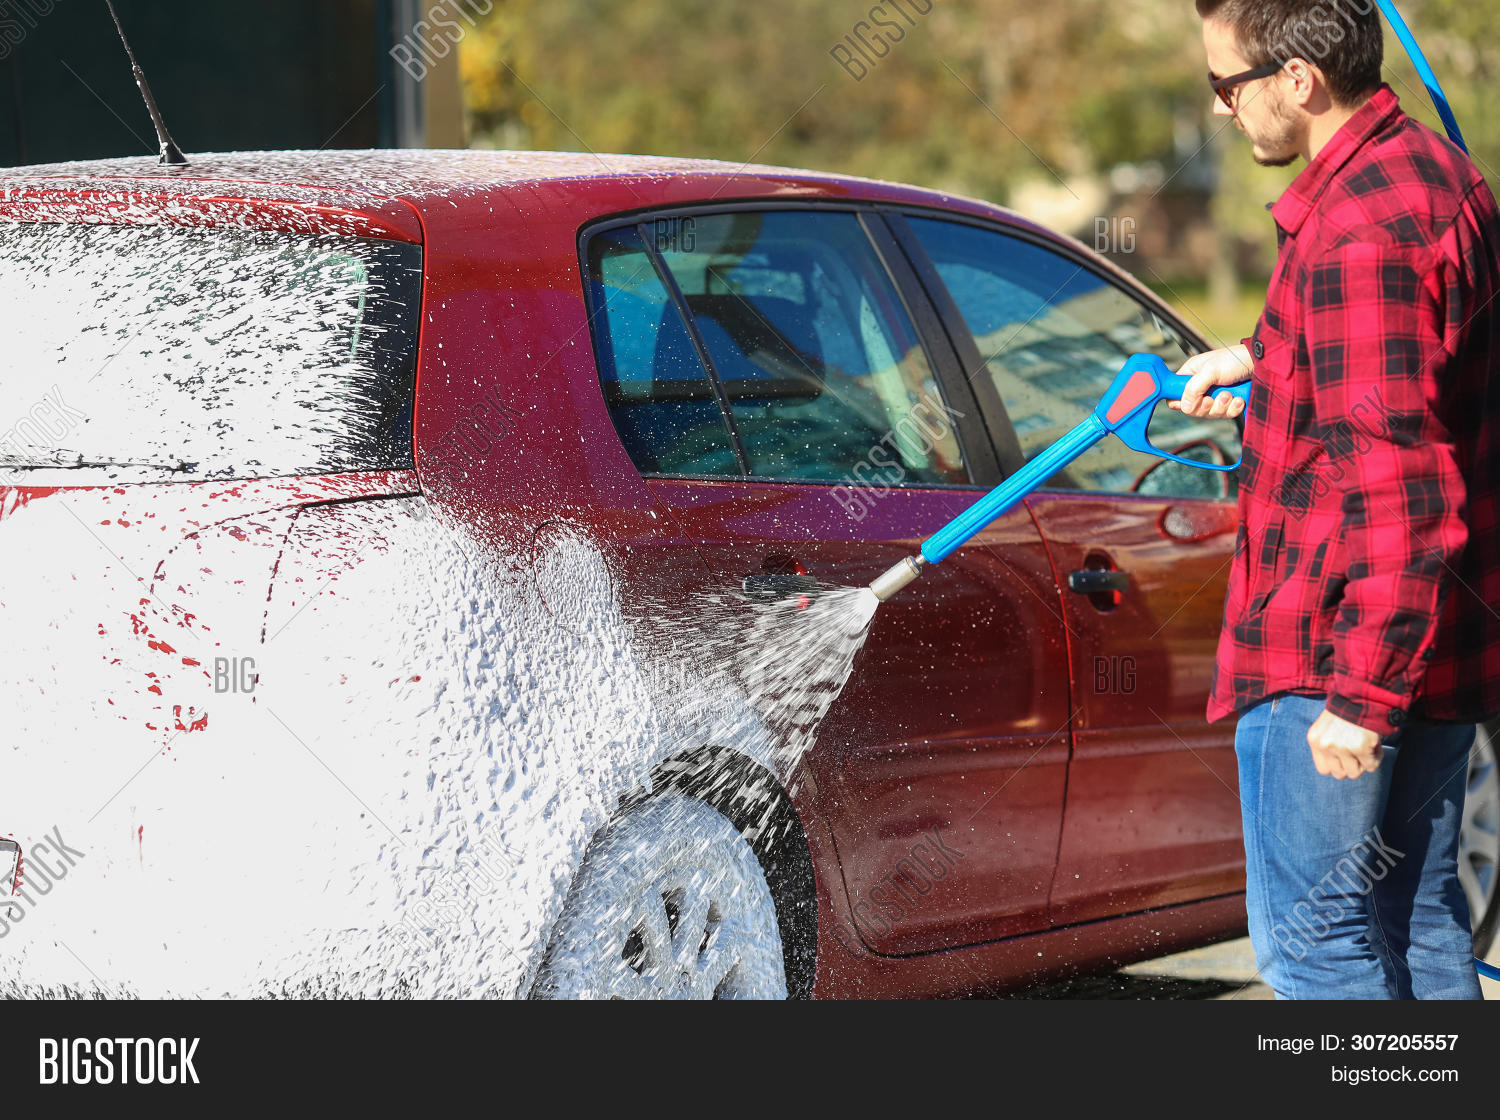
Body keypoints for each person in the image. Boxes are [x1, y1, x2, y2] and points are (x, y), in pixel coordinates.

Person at [1172, 0, 1500, 998]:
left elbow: (1406, 486)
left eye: (1227, 86)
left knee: (1317, 953)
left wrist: (1360, 697)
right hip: (1439, 642)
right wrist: (1264, 356)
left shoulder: (1357, 233)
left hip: (1336, 645)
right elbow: (1417, 361)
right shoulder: (1437, 176)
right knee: (1422, 927)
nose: (1224, 112)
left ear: (1297, 81)